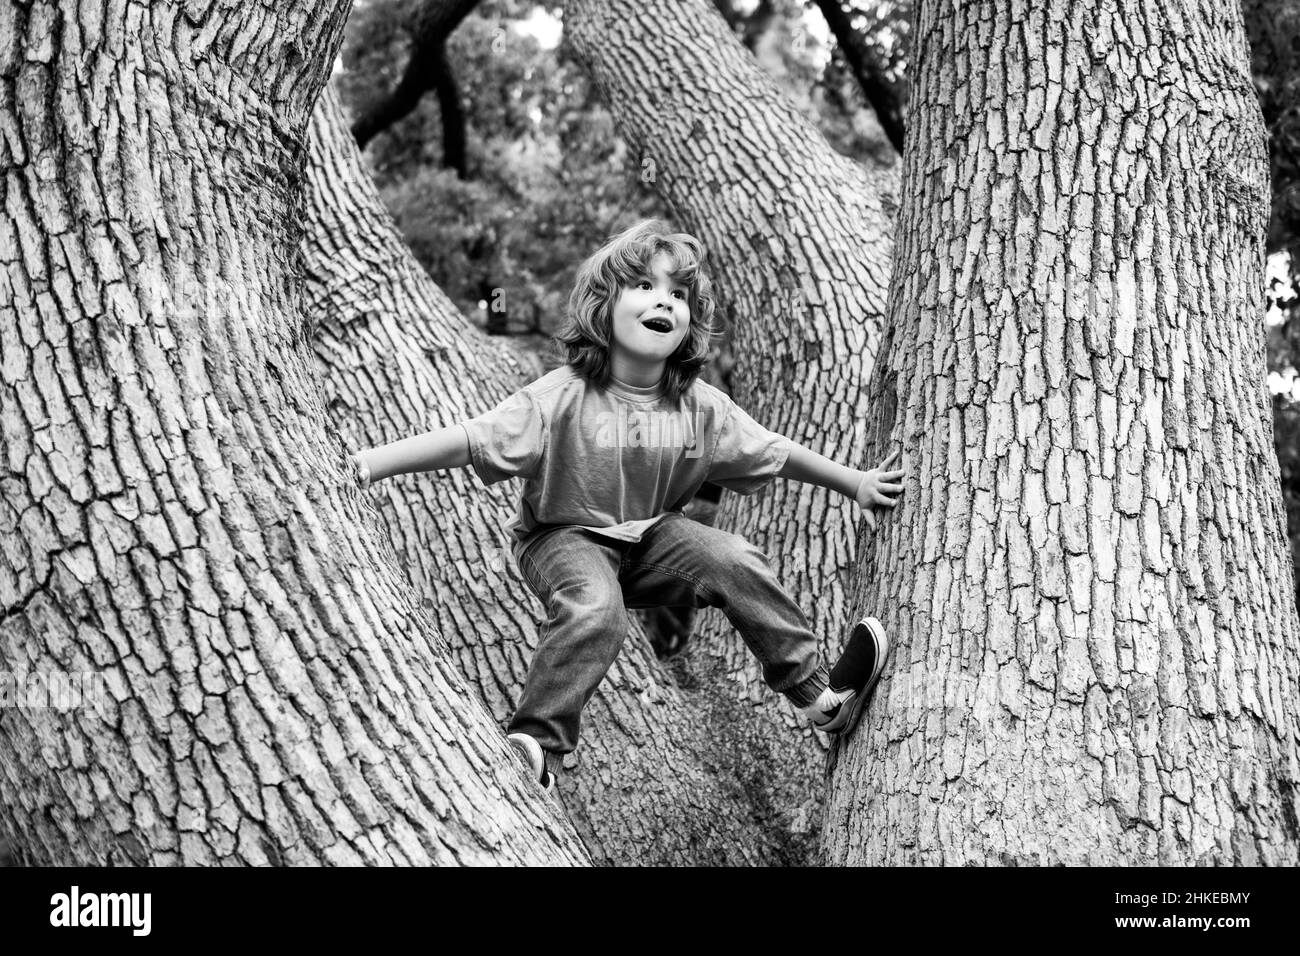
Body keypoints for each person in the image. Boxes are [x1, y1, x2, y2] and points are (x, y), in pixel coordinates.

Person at [349, 220, 905, 795]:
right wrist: (369, 464)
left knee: (735, 559)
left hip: (654, 539)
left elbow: (778, 452)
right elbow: (468, 439)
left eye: (678, 293)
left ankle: (820, 698)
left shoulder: (702, 409)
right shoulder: (557, 397)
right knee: (596, 609)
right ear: (603, 306)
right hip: (565, 539)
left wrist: (855, 483)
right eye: (643, 285)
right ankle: (536, 744)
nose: (664, 298)